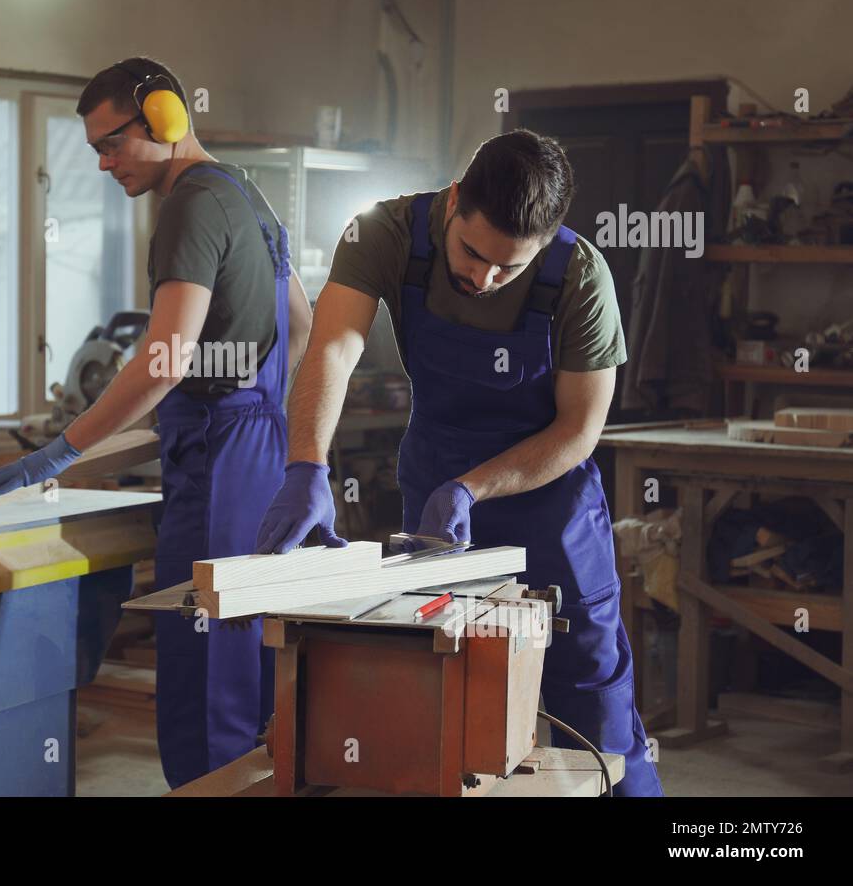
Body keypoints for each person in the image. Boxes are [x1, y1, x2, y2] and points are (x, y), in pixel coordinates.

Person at [255, 129, 663, 796]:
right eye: (473, 254)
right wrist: (307, 468)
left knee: (596, 705)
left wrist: (474, 488)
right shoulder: (382, 232)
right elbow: (331, 348)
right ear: (452, 203)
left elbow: (579, 430)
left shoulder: (581, 276)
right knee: (445, 698)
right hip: (436, 494)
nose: (484, 278)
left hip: (549, 500)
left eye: (510, 268)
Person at [0, 57, 312, 789]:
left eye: (111, 143)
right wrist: (245, 401)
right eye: (94, 148)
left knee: (203, 677)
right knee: (254, 673)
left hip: (222, 466)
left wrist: (58, 454)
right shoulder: (247, 194)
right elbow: (302, 322)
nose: (101, 163)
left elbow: (160, 361)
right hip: (264, 455)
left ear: (165, 119)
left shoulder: (188, 205)